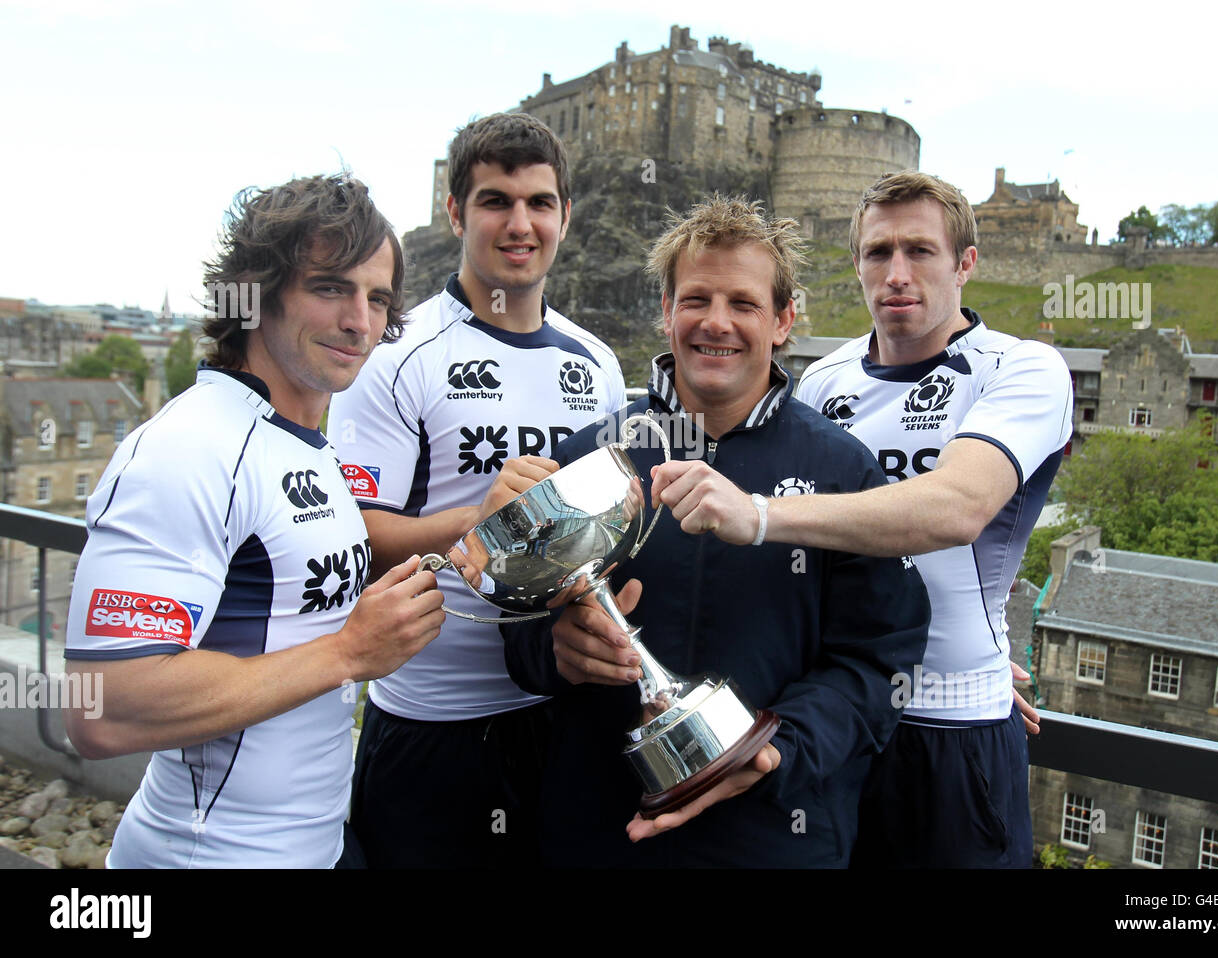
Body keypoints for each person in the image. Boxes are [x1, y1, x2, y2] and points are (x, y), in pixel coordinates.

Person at [649, 172, 1074, 867]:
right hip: (833, 720)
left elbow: (956, 508)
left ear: (965, 263)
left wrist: (755, 513)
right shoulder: (824, 380)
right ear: (856, 266)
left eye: (920, 251)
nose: (897, 274)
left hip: (952, 722)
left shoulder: (1023, 369)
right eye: (878, 253)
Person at [501, 195, 930, 867]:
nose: (716, 323)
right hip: (598, 832)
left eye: (745, 303)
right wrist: (551, 650)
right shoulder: (591, 456)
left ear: (784, 320)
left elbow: (880, 657)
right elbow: (519, 628)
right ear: (667, 313)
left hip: (776, 835)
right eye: (696, 299)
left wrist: (776, 750)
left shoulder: (841, 469)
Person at [62, 173, 448, 868]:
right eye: (331, 287)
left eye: (378, 297)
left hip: (318, 844)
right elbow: (102, 708)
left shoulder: (307, 444)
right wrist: (350, 653)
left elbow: (281, 613)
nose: (361, 321)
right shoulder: (190, 447)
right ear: (258, 290)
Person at [327, 113, 625, 867]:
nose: (519, 224)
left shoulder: (597, 363)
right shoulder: (397, 356)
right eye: (495, 201)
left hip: (564, 707)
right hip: (435, 723)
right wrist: (481, 521)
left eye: (539, 203)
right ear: (455, 212)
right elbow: (353, 533)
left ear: (564, 215)